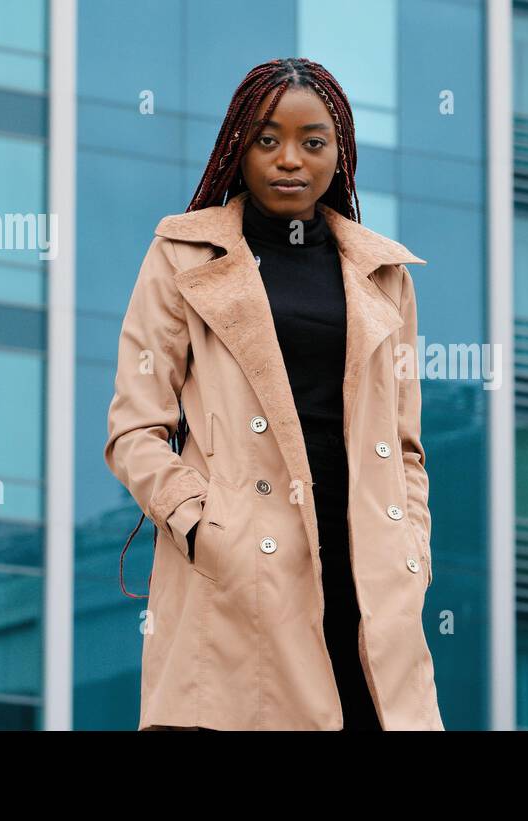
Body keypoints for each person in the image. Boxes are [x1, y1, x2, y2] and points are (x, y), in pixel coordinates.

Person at [105, 57, 442, 731]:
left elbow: (405, 444)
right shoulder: (182, 256)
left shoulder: (385, 275)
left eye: (312, 141)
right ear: (239, 147)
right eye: (268, 139)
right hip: (242, 577)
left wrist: (413, 550)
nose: (290, 159)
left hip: (366, 577)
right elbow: (134, 430)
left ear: (338, 153)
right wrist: (205, 526)